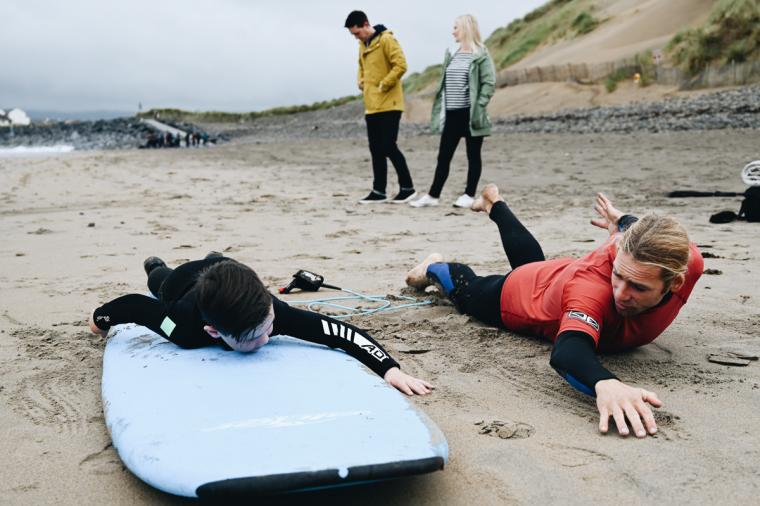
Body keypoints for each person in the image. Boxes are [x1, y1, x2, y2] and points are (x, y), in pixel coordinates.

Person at [406, 185, 704, 437]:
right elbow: (568, 351)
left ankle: (493, 203)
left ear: (675, 282)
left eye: (638, 287)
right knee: (467, 291)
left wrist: (624, 220)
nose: (620, 294)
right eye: (618, 275)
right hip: (521, 295)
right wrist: (606, 382)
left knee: (532, 264)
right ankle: (430, 265)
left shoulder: (686, 261)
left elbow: (642, 228)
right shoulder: (592, 288)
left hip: (559, 277)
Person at [89, 254, 432, 396]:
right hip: (182, 284)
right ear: (214, 334)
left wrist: (389, 368)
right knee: (160, 282)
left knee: (220, 262)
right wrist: (98, 321)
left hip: (230, 273)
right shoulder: (183, 329)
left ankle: (216, 259)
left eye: (269, 326)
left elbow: (338, 332)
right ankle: (158, 264)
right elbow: (133, 306)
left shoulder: (273, 313)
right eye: (256, 337)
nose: (270, 336)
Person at [410, 15, 496, 209]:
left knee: (473, 155)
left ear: (465, 29)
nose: (453, 31)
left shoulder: (481, 54)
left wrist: (479, 107)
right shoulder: (453, 54)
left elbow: (489, 83)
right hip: (452, 114)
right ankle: (433, 196)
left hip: (472, 114)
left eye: (456, 27)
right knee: (444, 156)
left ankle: (468, 195)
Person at [345, 10, 416, 204]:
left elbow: (401, 65)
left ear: (366, 24)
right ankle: (379, 191)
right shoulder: (362, 45)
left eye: (356, 33)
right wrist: (361, 81)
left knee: (388, 146)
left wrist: (385, 84)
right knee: (375, 148)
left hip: (390, 104)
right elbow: (361, 66)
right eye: (353, 34)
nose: (355, 37)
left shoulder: (386, 40)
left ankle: (407, 188)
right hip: (371, 105)